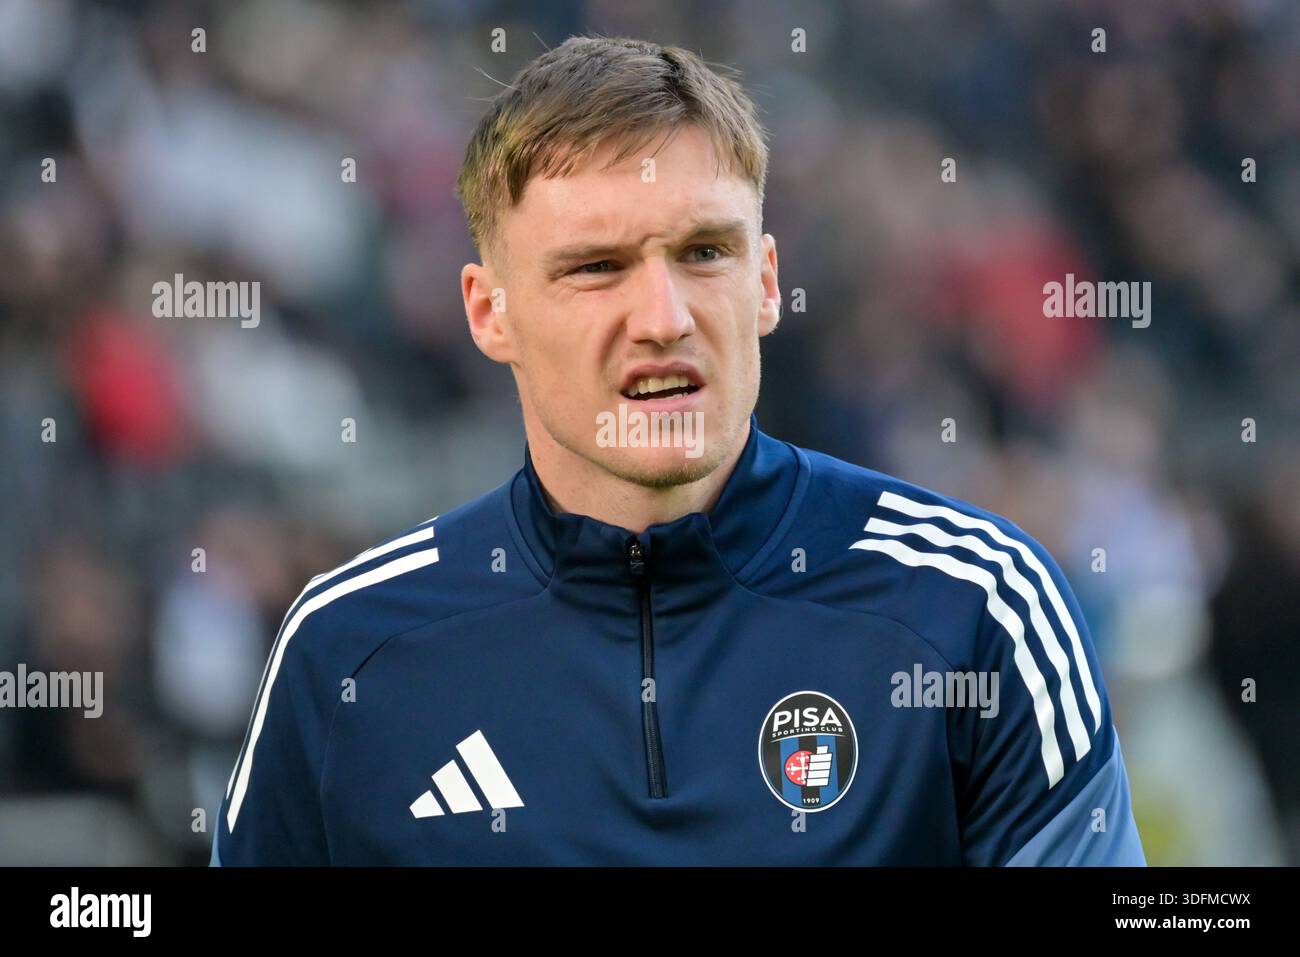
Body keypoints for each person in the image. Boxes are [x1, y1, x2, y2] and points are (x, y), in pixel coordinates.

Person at [211, 35, 1145, 865]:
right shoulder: (350, 654)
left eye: (704, 253)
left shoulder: (974, 607)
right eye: (595, 267)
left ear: (767, 282)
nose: (663, 318)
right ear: (489, 311)